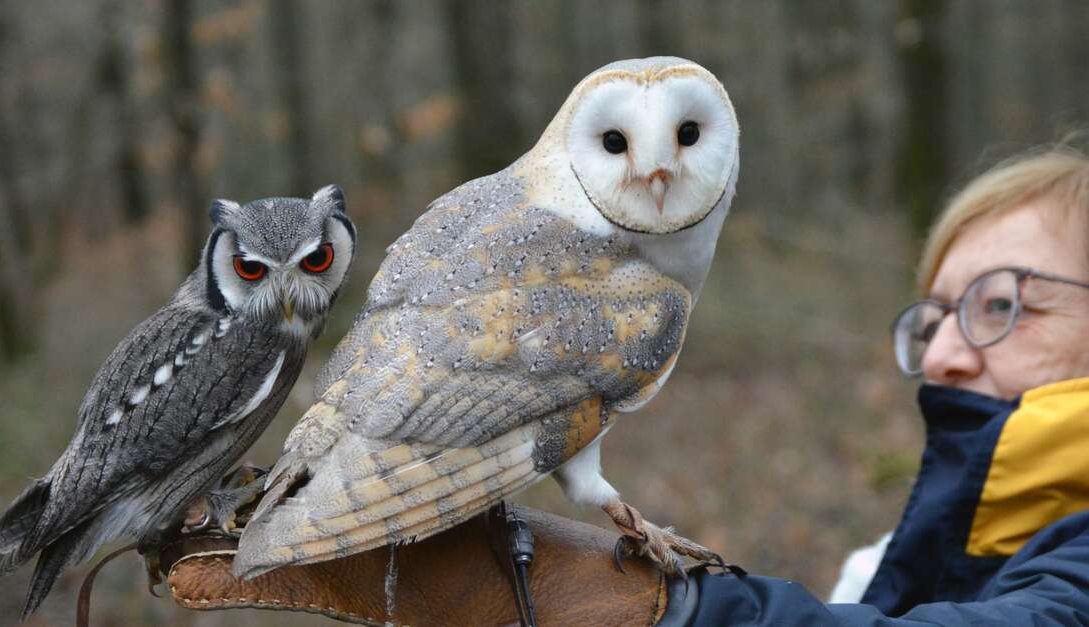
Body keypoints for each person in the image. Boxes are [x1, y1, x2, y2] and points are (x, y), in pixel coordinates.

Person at [153, 144, 1089, 625]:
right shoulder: (882, 566)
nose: (945, 356)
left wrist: (666, 610)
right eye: (930, 320)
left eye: (1005, 305)